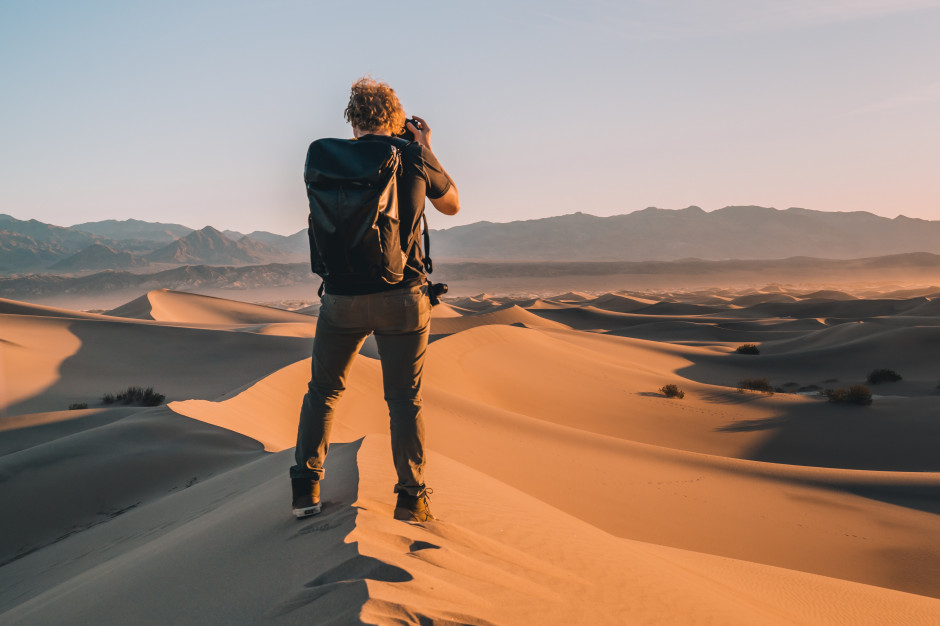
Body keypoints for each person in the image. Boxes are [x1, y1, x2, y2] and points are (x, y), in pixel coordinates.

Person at [290, 77, 460, 522]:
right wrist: (424, 146)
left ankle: (305, 490)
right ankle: (411, 497)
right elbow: (452, 205)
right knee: (404, 399)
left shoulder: (326, 157)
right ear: (396, 117)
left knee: (323, 392)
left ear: (353, 119)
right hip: (402, 299)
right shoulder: (412, 155)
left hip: (340, 297)